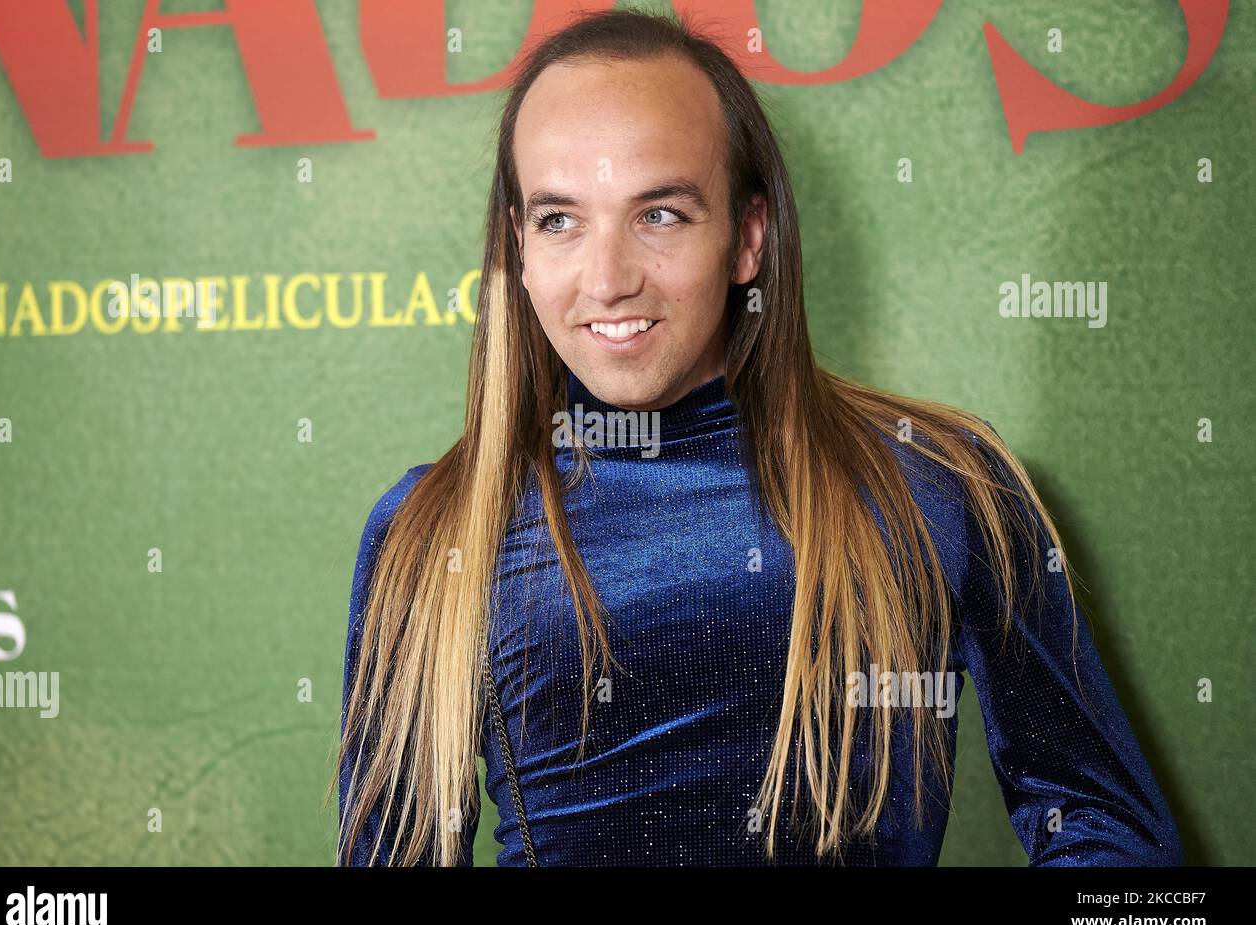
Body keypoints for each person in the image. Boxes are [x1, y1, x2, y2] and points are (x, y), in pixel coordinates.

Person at [330, 8, 1182, 867]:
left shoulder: (939, 481)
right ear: (517, 248)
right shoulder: (429, 533)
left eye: (659, 214)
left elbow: (1106, 833)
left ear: (747, 237)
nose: (608, 279)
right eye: (560, 220)